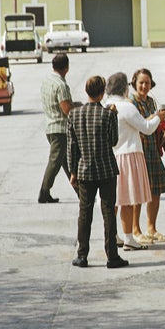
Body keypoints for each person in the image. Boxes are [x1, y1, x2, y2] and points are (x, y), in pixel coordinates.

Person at [67, 75, 127, 269]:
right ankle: (112, 256)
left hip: (85, 171)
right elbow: (113, 141)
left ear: (87, 92)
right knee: (108, 212)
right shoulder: (108, 115)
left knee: (85, 213)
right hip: (107, 170)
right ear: (102, 93)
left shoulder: (74, 115)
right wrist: (115, 116)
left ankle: (82, 255)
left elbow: (72, 147)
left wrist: (72, 172)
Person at [104, 72, 165, 251]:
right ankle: (129, 238)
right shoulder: (127, 107)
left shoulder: (107, 105)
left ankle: (112, 235)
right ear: (125, 87)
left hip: (113, 155)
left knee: (115, 200)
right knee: (129, 200)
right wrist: (158, 118)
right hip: (129, 155)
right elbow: (146, 128)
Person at [129, 68, 165, 243]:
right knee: (138, 192)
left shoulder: (151, 101)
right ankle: (135, 229)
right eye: (141, 83)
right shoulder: (131, 103)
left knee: (156, 190)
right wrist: (156, 117)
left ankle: (151, 228)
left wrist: (162, 132)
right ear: (135, 84)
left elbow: (152, 126)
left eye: (147, 83)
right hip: (139, 150)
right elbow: (142, 124)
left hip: (152, 149)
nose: (144, 86)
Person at [39, 52, 78, 203]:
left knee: (67, 162)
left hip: (50, 126)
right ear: (66, 68)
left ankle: (80, 191)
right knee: (55, 161)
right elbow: (67, 109)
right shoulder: (61, 85)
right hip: (60, 129)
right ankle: (44, 191)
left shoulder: (47, 81)